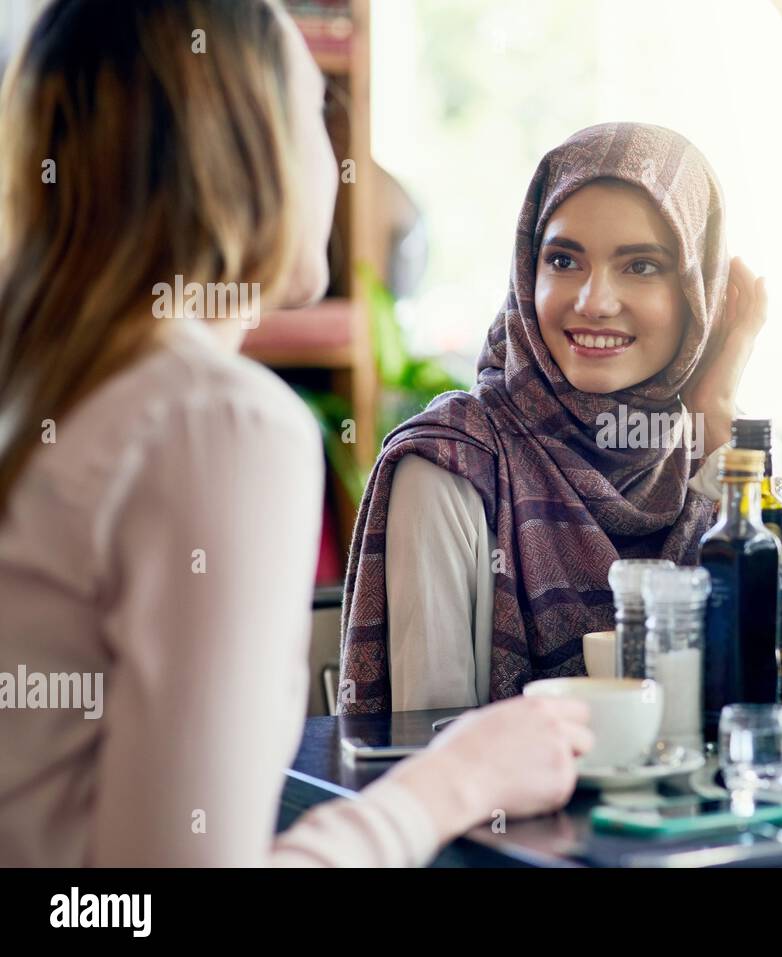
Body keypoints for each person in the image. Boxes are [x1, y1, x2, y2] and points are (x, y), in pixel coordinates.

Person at [0, 0, 591, 867]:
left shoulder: (47, 389)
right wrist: (452, 782)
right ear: (240, 142)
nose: (344, 163)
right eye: (318, 110)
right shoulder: (214, 421)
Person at [339, 123, 782, 713]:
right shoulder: (452, 465)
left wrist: (717, 416)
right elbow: (431, 741)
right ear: (526, 272)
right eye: (563, 259)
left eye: (640, 266)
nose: (593, 301)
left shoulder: (721, 454)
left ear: (700, 291)